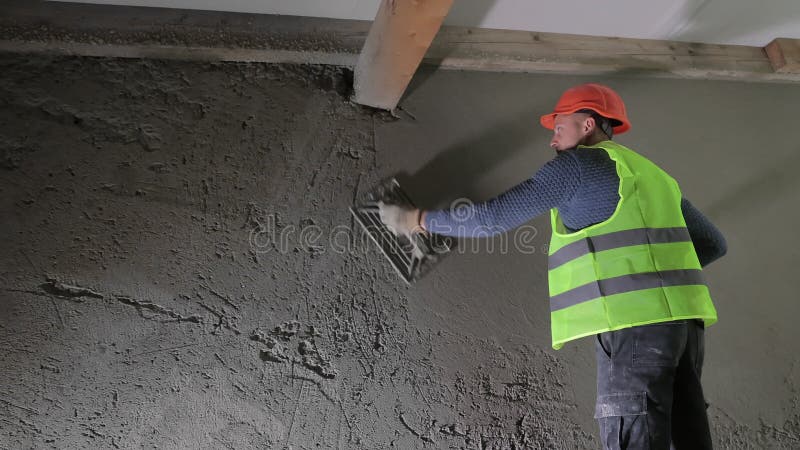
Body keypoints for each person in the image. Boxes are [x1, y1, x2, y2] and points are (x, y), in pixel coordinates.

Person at [378, 83, 727, 449]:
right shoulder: (653, 175)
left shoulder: (577, 165)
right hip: (687, 331)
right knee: (684, 437)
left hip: (635, 331)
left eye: (559, 127)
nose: (552, 140)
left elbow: (490, 219)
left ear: (587, 124)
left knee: (632, 432)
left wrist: (414, 220)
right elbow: (713, 244)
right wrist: (647, 274)